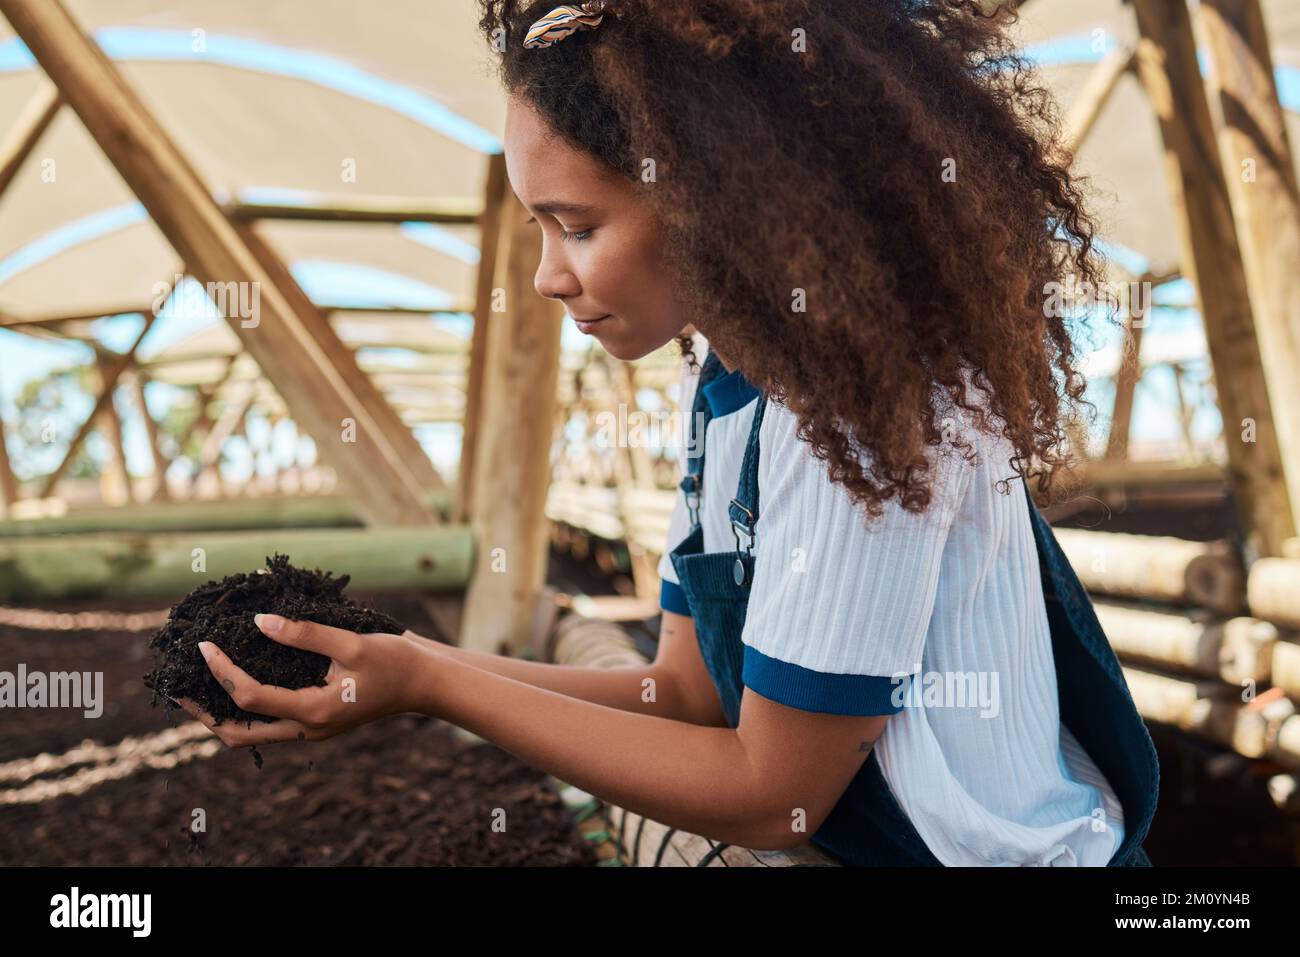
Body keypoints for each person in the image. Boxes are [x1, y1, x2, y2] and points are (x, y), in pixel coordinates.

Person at [177, 0, 1158, 865]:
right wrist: (390, 658)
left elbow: (773, 792)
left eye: (578, 226)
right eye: (537, 229)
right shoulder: (722, 384)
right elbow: (680, 694)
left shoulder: (864, 420)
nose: (546, 277)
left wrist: (432, 682)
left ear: (724, 201)